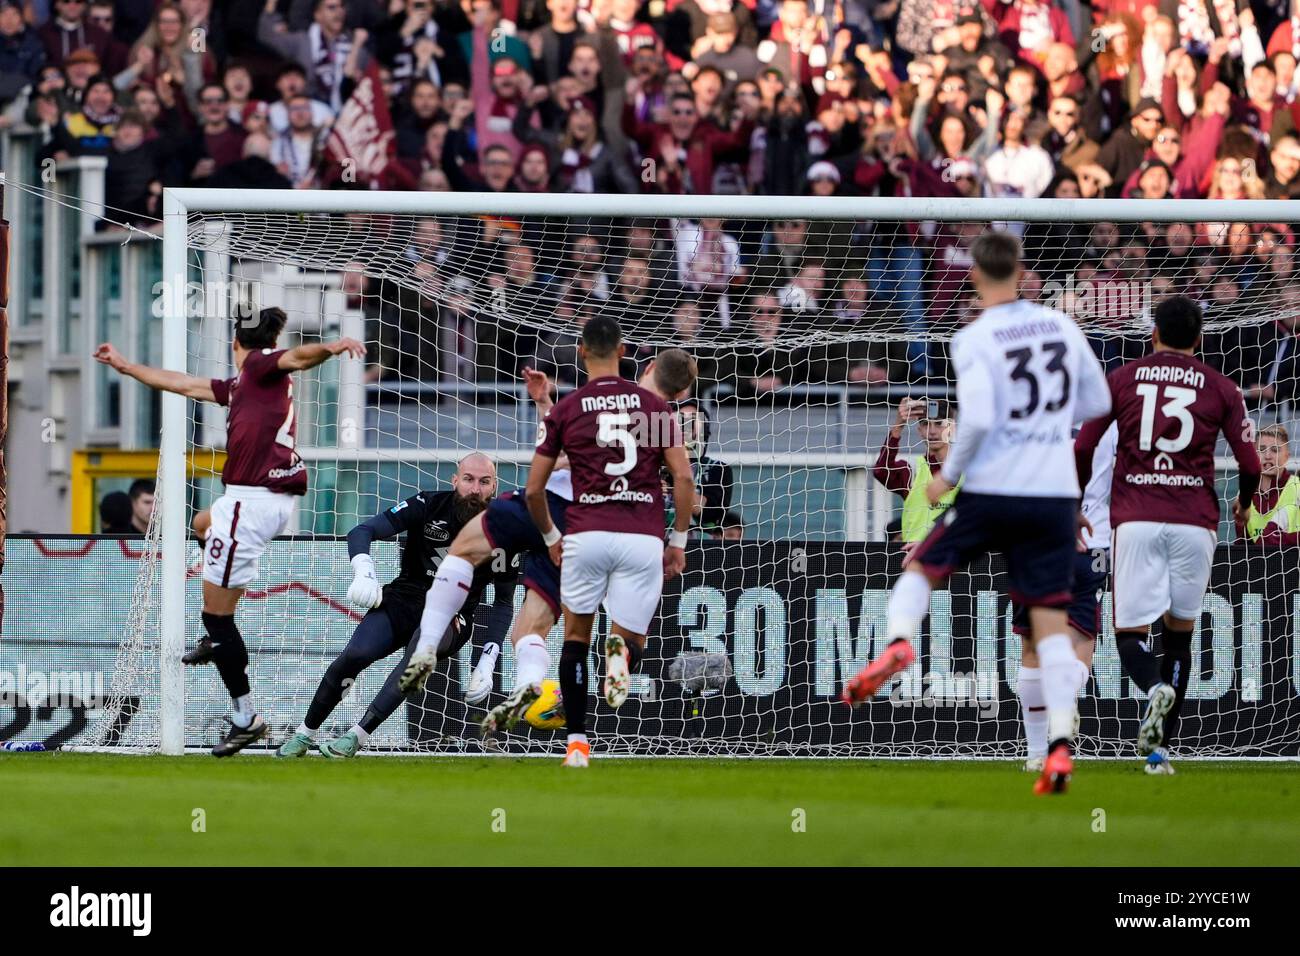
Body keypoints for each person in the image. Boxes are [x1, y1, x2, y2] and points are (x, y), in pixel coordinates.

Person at [843, 231, 1111, 796]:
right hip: (1056, 496)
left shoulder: (974, 337)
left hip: (995, 486)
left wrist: (944, 477)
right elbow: (1098, 404)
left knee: (920, 566)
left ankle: (897, 640)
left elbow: (982, 421)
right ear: (1021, 270)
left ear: (973, 275)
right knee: (1048, 621)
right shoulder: (1064, 327)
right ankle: (1059, 749)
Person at [94, 309, 365, 756]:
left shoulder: (258, 365)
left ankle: (246, 717)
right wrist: (125, 366)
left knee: (215, 617)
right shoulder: (241, 386)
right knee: (202, 523)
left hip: (252, 501)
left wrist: (331, 348)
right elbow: (181, 382)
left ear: (235, 344)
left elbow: (296, 356)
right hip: (248, 502)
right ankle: (220, 641)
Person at [397, 351, 699, 737]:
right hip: (608, 530)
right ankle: (534, 686)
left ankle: (427, 646)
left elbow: (557, 458)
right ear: (683, 389)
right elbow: (681, 478)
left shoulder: (600, 399)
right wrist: (677, 540)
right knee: (538, 630)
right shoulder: (661, 420)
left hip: (552, 508)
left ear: (648, 367)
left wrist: (547, 409)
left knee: (464, 548)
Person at [1075, 295, 1262, 775]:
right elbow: (1251, 463)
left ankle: (1154, 687)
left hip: (1135, 518)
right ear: (1200, 339)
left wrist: (1076, 504)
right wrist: (1243, 503)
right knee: (1179, 635)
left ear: (1152, 333)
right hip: (1196, 522)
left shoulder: (1121, 378)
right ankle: (1159, 755)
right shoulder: (1221, 387)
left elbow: (1085, 445)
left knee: (1129, 636)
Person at [514, 316, 694, 767]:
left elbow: (536, 487)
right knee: (633, 638)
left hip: (586, 533)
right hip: (640, 535)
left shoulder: (572, 407)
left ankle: (577, 745)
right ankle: (622, 654)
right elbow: (685, 477)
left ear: (580, 351)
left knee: (575, 639)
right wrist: (679, 540)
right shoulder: (655, 410)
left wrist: (552, 536)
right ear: (625, 350)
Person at [276, 453, 515, 758]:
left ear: (494, 486)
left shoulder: (505, 530)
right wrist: (364, 572)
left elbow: (504, 601)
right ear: (455, 481)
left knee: (418, 655)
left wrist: (488, 659)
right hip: (404, 599)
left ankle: (356, 737)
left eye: (484, 482)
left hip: (453, 615)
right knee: (355, 655)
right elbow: (361, 531)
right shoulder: (428, 505)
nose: (475, 488)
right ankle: (304, 734)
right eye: (468, 479)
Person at [1012, 422, 1116, 773]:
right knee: (1078, 647)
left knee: (1032, 649)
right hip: (1095, 544)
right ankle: (1068, 693)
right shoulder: (1109, 417)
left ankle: (1037, 753)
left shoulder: (1028, 409)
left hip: (1035, 541)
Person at [872, 397, 957, 545]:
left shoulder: (970, 470)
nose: (932, 431)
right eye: (925, 424)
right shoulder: (912, 469)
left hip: (962, 559)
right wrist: (899, 424)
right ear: (919, 431)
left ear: (951, 428)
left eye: (939, 424)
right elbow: (881, 471)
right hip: (915, 559)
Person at [1244, 424, 1300, 546]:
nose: (1268, 456)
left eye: (1275, 450)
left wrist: (1272, 539)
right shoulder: (1244, 494)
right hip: (1258, 564)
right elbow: (1242, 548)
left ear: (1287, 456)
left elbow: (1267, 541)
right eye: (1262, 449)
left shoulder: (1298, 487)